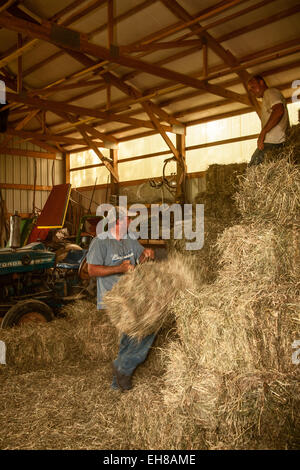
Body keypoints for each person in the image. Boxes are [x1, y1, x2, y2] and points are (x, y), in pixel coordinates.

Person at [87, 206, 155, 391]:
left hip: (131, 295)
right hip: (113, 299)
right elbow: (91, 270)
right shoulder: (100, 242)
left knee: (129, 336)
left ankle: (118, 382)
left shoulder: (129, 239)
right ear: (118, 222)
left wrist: (146, 255)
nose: (131, 222)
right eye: (128, 220)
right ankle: (122, 367)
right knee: (147, 326)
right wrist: (119, 269)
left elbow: (139, 261)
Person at [247, 75, 290, 166]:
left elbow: (279, 110)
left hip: (272, 142)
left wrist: (263, 133)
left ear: (261, 82)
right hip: (276, 142)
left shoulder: (270, 92)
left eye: (253, 87)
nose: (252, 91)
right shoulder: (268, 97)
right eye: (250, 90)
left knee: (253, 169)